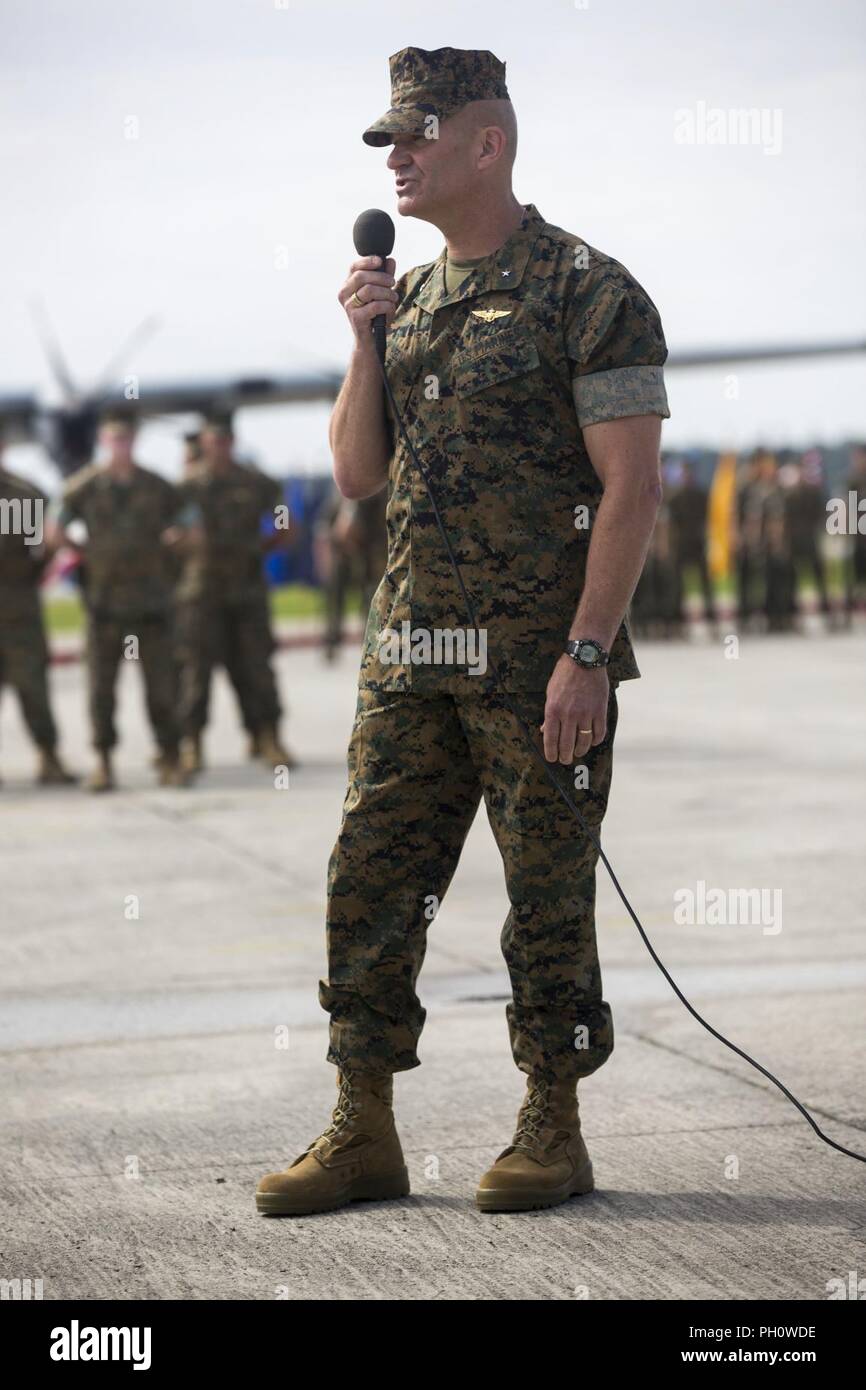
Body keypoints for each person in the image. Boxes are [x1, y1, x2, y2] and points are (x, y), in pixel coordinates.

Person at [256, 46, 670, 1217]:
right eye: (386, 139)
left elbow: (630, 488)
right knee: (369, 881)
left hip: (539, 659)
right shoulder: (411, 299)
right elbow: (352, 474)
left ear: (486, 144)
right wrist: (362, 341)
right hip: (410, 653)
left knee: (545, 891)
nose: (396, 157)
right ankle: (362, 1126)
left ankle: (551, 1120)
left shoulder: (587, 289)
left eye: (415, 134)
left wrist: (586, 652)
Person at [53, 407, 185, 791]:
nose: (120, 446)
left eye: (125, 439)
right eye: (113, 439)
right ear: (103, 442)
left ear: (134, 442)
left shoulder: (157, 486)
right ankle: (103, 762)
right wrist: (77, 547)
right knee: (100, 690)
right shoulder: (85, 486)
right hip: (104, 606)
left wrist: (174, 544)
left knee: (162, 687)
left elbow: (190, 526)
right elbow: (53, 524)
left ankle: (170, 757)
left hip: (151, 606)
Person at [174, 410, 296, 773]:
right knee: (196, 671)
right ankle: (191, 744)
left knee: (256, 668)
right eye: (214, 441)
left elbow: (285, 521)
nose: (221, 447)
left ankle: (268, 737)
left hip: (247, 591)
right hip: (201, 592)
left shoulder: (257, 483)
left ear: (233, 442)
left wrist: (269, 543)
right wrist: (183, 545)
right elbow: (165, 533)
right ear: (205, 444)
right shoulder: (185, 487)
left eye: (226, 441)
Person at [0, 437, 76, 786]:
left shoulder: (24, 495)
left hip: (19, 609)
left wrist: (23, 583)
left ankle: (49, 756)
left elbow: (42, 551)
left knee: (34, 687)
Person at [668, 458, 717, 632]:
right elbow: (671, 525)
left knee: (705, 582)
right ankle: (677, 622)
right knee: (678, 584)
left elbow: (709, 520)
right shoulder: (675, 497)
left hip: (698, 542)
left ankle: (712, 620)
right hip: (681, 544)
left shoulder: (701, 495)